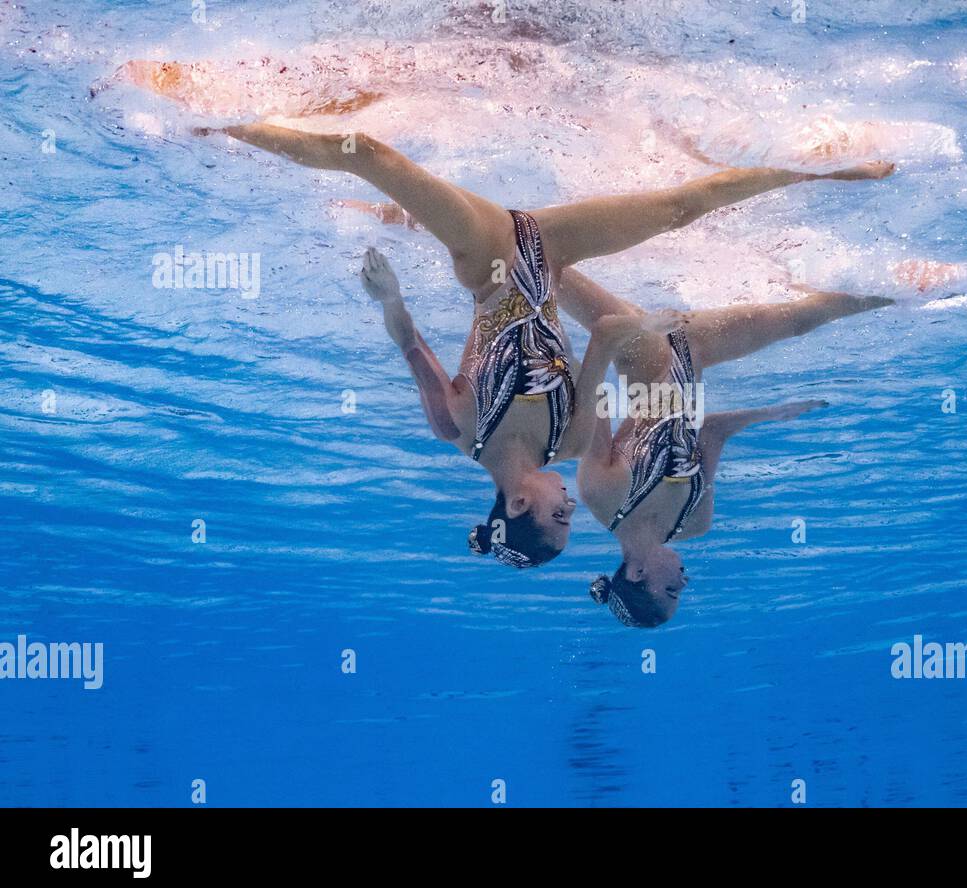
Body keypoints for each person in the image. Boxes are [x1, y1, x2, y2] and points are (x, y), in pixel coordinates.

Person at [185, 120, 893, 566]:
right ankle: (827, 169)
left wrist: (391, 298)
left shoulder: (457, 427)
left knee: (368, 151)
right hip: (550, 255)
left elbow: (408, 342)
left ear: (518, 508)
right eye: (569, 520)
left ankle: (214, 126)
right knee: (680, 208)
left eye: (557, 519)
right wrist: (648, 328)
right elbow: (610, 335)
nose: (566, 509)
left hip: (491, 256)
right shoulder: (575, 438)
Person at [551, 270, 895, 626]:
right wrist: (769, 413)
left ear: (637, 574)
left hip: (644, 352)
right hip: (692, 348)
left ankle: (905, 291)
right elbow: (712, 432)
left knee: (550, 270)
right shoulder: (695, 522)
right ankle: (883, 288)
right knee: (797, 321)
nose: (684, 582)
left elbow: (592, 401)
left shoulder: (601, 495)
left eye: (672, 591)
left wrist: (566, 347)